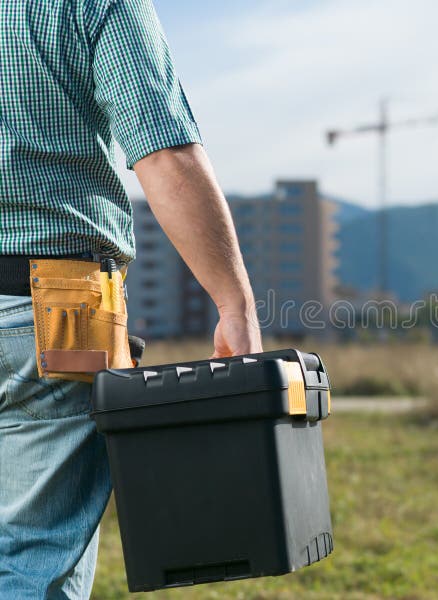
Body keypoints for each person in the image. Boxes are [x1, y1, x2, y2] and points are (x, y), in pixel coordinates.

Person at [0, 0, 262, 597]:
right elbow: (164, 153)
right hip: (60, 305)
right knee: (31, 559)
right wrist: (235, 305)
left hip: (53, 309)